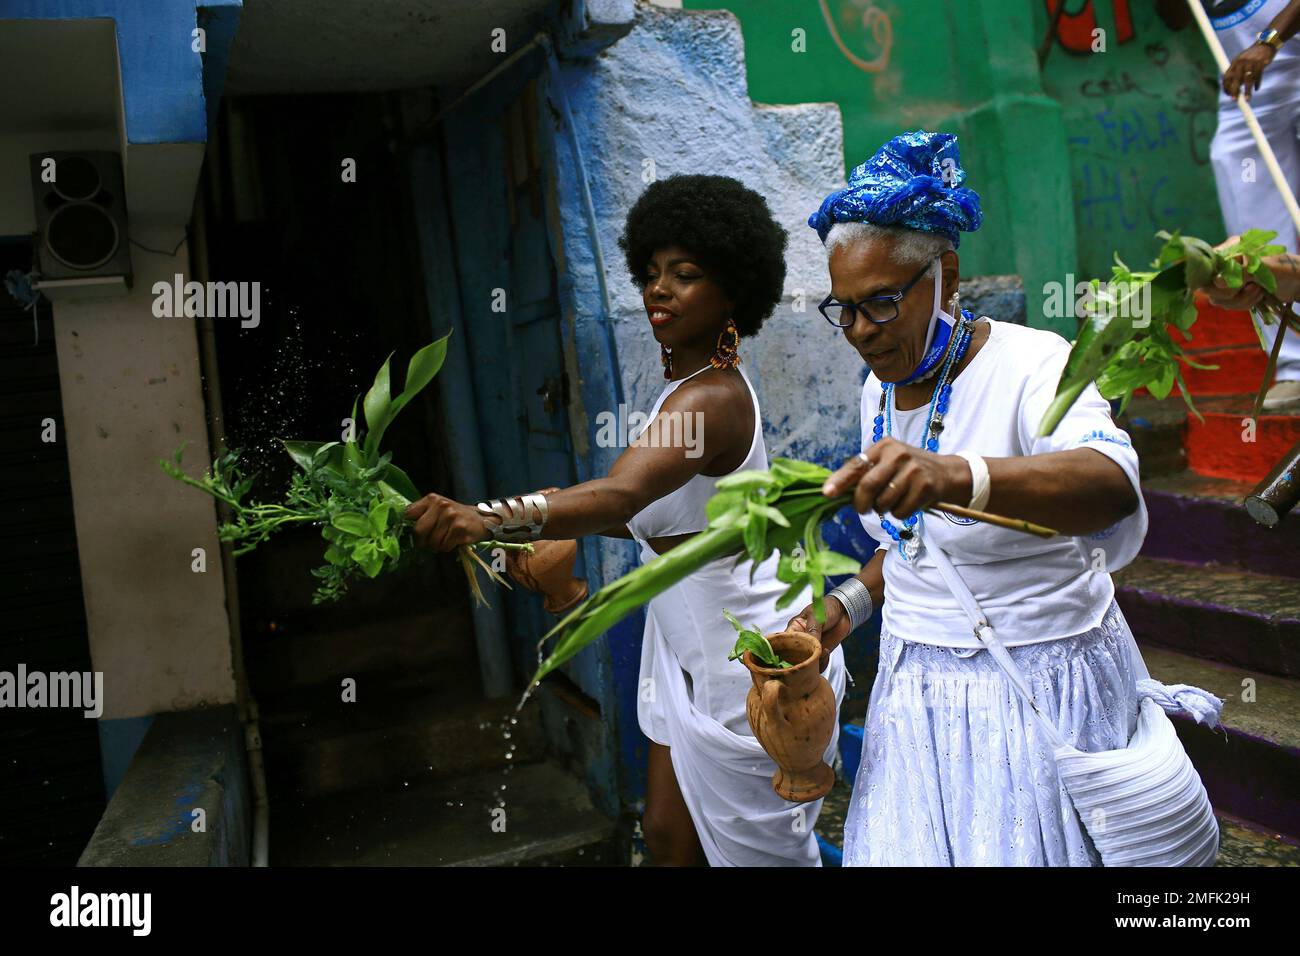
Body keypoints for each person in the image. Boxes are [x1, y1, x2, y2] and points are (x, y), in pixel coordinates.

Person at [785, 131, 1222, 866]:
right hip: (919, 698)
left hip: (1039, 691)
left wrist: (957, 473)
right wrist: (846, 608)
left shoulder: (1032, 364)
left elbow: (1110, 484)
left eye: (882, 304)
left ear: (945, 276)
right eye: (845, 310)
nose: (860, 331)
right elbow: (918, 551)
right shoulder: (879, 393)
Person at [405, 174, 845, 866]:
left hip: (745, 654)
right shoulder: (688, 387)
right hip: (684, 643)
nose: (658, 289)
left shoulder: (711, 402)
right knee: (670, 836)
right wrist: (542, 522)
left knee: (755, 856)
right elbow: (652, 518)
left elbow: (617, 499)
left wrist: (486, 518)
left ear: (733, 290)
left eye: (686, 274)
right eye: (650, 273)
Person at [1175, 0, 1300, 408]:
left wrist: (1269, 41)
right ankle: (1293, 364)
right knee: (1234, 162)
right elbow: (1174, 16)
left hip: (1279, 47)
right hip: (1246, 76)